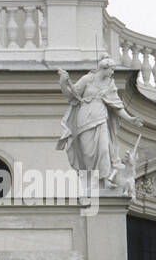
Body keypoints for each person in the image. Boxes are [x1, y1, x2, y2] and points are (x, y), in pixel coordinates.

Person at [57, 56, 144, 185]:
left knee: (104, 150)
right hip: (84, 119)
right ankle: (90, 181)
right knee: (87, 152)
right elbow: (71, 93)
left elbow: (116, 106)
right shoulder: (87, 79)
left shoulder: (110, 84)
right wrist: (63, 82)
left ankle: (104, 180)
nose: (113, 72)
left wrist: (130, 119)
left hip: (101, 118)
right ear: (105, 68)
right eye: (112, 69)